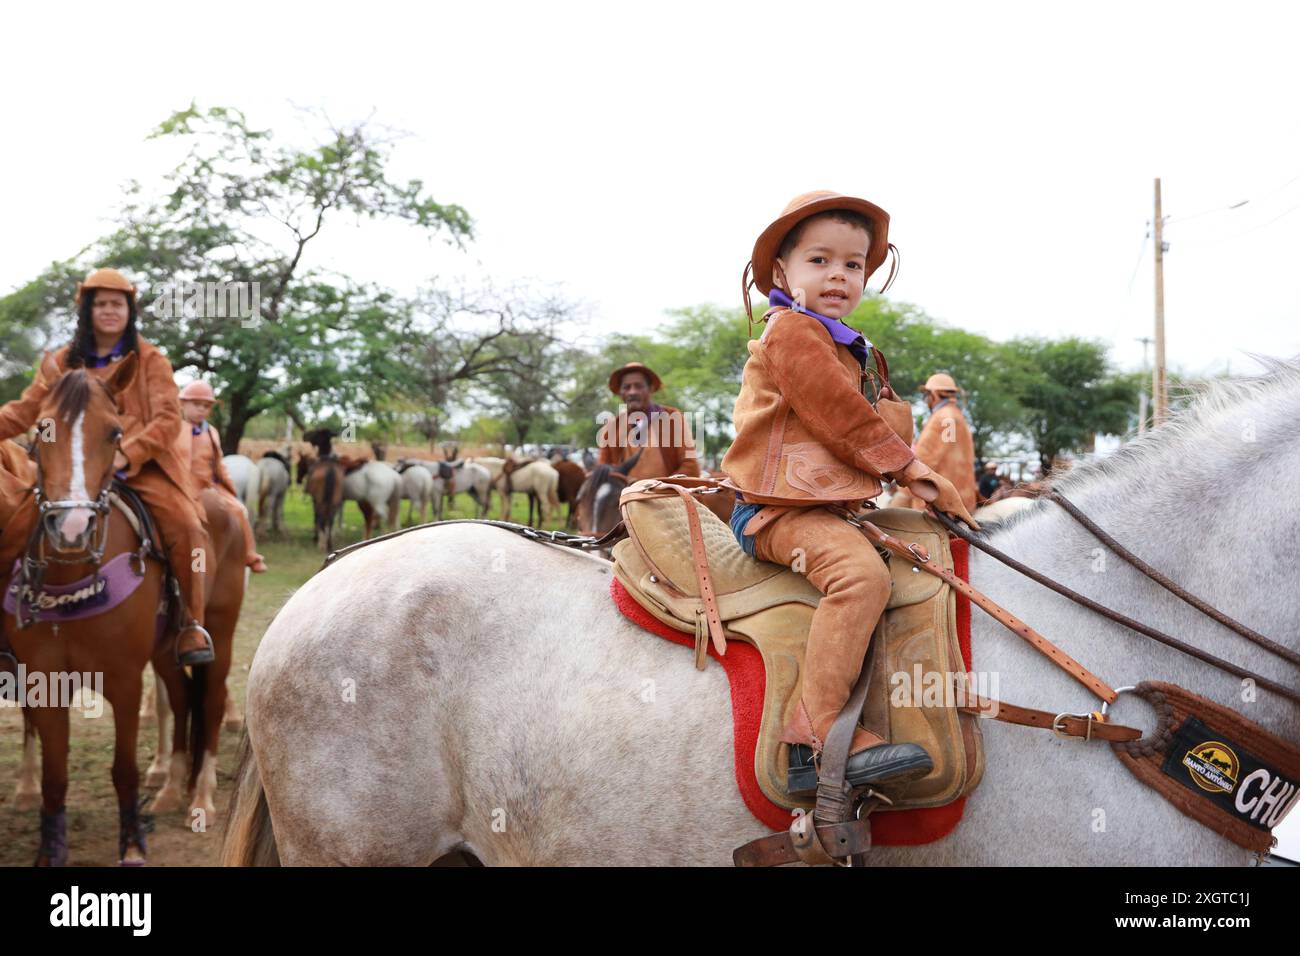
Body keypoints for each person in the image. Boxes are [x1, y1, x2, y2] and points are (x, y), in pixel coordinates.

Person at [721, 191, 978, 794]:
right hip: (774, 513)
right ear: (782, 274)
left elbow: (864, 419)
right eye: (820, 260)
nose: (838, 274)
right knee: (861, 578)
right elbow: (837, 415)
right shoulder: (793, 332)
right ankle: (814, 743)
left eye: (854, 264)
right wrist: (911, 470)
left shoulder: (844, 344)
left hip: (827, 505)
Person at [0, 268, 215, 688]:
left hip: (136, 467)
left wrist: (126, 453)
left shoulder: (150, 359)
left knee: (188, 528)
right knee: (12, 531)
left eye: (117, 304)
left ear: (129, 310)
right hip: (69, 469)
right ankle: (6, 638)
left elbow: (169, 418)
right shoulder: (62, 362)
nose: (109, 311)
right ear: (88, 309)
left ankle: (192, 623)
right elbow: (25, 413)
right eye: (101, 303)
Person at [178, 380, 267, 573]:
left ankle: (250, 554)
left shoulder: (212, 432)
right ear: (182, 404)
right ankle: (194, 565)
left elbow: (218, 463)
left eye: (206, 406)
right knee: (192, 522)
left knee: (240, 510)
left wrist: (229, 488)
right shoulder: (174, 429)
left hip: (210, 485)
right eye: (196, 404)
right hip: (185, 486)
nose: (201, 410)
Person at [890, 372, 978, 513]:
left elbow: (924, 459)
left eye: (926, 395)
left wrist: (903, 486)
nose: (925, 400)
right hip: (963, 499)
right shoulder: (957, 416)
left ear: (934, 394)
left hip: (939, 502)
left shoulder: (943, 417)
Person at [596, 362, 701, 480]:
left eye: (638, 386)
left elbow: (691, 467)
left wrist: (660, 488)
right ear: (621, 393)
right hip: (624, 496)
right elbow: (603, 471)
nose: (632, 392)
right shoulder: (612, 428)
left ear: (650, 388)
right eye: (626, 387)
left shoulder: (673, 418)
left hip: (667, 495)